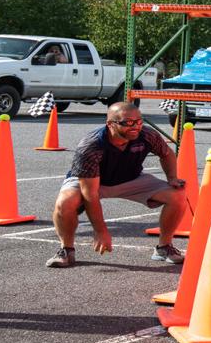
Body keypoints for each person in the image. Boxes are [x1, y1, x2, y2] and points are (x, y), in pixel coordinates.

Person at [45, 102, 189, 268]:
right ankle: (66, 250)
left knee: (177, 195)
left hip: (131, 179)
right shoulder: (91, 145)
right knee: (65, 203)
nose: (135, 127)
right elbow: (90, 194)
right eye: (127, 122)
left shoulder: (147, 135)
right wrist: (101, 230)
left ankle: (164, 248)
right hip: (91, 182)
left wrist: (172, 178)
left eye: (139, 121)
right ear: (110, 124)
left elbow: (166, 153)